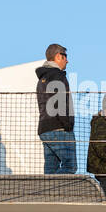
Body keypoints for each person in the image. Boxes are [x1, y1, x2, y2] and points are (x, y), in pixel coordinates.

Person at [36, 43, 75, 174]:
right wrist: (68, 125)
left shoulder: (42, 78)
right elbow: (60, 103)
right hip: (59, 129)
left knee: (50, 170)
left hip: (44, 128)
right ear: (58, 56)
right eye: (65, 56)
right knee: (70, 166)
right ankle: (55, 192)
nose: (67, 60)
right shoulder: (57, 75)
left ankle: (47, 194)